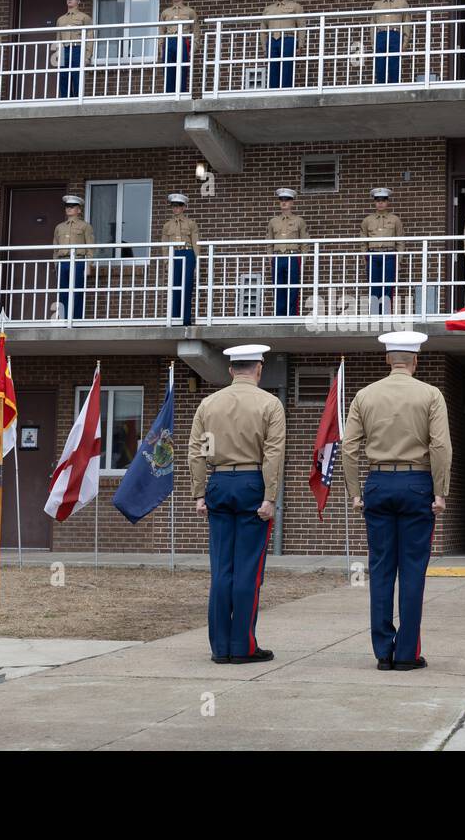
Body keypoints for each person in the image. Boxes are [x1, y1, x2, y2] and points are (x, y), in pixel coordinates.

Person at [342, 331, 451, 670]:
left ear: (388, 359)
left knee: (381, 569)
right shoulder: (431, 394)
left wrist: (355, 493)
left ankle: (382, 651)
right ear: (415, 360)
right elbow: (440, 446)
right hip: (417, 483)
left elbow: (348, 448)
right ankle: (406, 653)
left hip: (377, 482)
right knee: (413, 570)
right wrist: (440, 491)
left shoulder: (364, 395)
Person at [188, 344, 286, 664]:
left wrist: (200, 493)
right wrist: (269, 497)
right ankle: (242, 646)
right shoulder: (270, 404)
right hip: (251, 483)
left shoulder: (208, 404)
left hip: (219, 483)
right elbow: (273, 455)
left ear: (231, 370)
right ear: (259, 369)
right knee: (248, 571)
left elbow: (198, 452)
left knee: (222, 569)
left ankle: (220, 647)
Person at [362, 188, 404, 314]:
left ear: (387, 202)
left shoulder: (395, 220)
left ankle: (386, 314)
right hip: (373, 255)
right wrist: (366, 258)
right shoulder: (367, 220)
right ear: (374, 202)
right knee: (374, 286)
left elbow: (400, 241)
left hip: (389, 254)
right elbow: (363, 241)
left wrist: (399, 260)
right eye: (377, 200)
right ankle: (375, 314)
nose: (380, 203)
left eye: (383, 200)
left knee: (388, 286)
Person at [53, 195, 95, 320]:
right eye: (67, 206)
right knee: (63, 292)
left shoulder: (85, 226)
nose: (69, 209)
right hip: (63, 262)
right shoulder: (59, 227)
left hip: (78, 261)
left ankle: (76, 319)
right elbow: (55, 247)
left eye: (72, 206)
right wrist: (56, 264)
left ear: (79, 210)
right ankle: (64, 319)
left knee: (77, 291)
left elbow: (90, 247)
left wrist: (88, 265)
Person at [269, 188, 308, 316]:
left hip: (293, 256)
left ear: (292, 202)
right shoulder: (273, 222)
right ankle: (279, 316)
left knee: (293, 288)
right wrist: (271, 259)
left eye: (287, 200)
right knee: (278, 288)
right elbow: (269, 242)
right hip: (278, 256)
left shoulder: (299, 221)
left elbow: (304, 243)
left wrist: (302, 260)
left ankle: (292, 316)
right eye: (281, 200)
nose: (284, 202)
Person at [162, 193, 199, 325]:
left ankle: (186, 319)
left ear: (184, 207)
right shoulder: (167, 225)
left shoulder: (191, 223)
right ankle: (175, 318)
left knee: (187, 287)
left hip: (188, 254)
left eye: (178, 206)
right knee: (175, 287)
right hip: (174, 254)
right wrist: (166, 262)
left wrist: (196, 262)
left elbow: (195, 243)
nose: (175, 209)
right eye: (173, 206)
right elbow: (164, 246)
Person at [262, 0, 304, 88]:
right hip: (272, 40)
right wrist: (264, 48)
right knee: (273, 69)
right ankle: (273, 92)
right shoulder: (268, 9)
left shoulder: (295, 6)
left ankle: (286, 91)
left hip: (288, 39)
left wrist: (300, 45)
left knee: (287, 68)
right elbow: (263, 30)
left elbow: (301, 26)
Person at [55, 0, 93, 98]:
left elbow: (90, 38)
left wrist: (87, 56)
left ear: (79, 1)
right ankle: (65, 100)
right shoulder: (60, 19)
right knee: (63, 77)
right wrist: (57, 55)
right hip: (64, 50)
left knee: (77, 77)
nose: (69, 0)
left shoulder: (84, 18)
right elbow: (58, 38)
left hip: (78, 49)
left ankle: (77, 99)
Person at [372, 0, 409, 84]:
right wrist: (373, 42)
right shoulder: (376, 5)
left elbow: (407, 23)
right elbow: (372, 24)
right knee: (380, 64)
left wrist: (405, 42)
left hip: (395, 34)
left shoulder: (402, 3)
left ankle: (394, 85)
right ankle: (380, 86)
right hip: (381, 34)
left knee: (394, 63)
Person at [161, 0, 197, 94]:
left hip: (182, 41)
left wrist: (193, 49)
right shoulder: (165, 12)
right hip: (169, 41)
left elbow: (196, 32)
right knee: (168, 69)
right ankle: (169, 94)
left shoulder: (190, 12)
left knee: (182, 69)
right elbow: (161, 31)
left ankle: (181, 93)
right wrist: (160, 47)